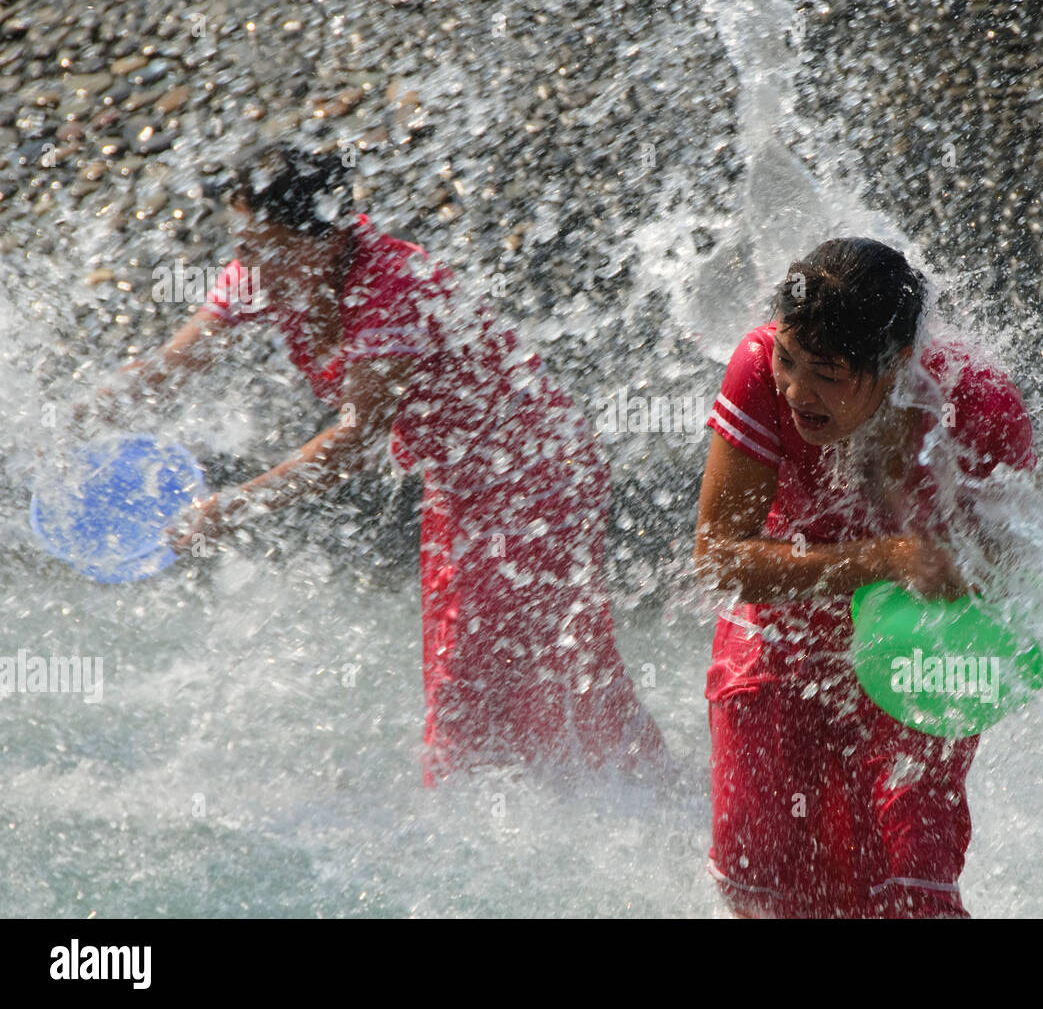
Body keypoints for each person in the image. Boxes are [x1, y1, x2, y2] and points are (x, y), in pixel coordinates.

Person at [92, 145, 667, 782]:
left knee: (485, 662)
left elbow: (353, 442)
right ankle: (608, 784)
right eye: (243, 244)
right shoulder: (272, 271)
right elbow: (173, 365)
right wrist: (84, 420)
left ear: (328, 238)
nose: (247, 263)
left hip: (535, 475)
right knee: (485, 650)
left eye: (266, 246)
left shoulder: (388, 286)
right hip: (463, 480)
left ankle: (500, 806)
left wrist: (234, 507)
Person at [693, 237, 1036, 918]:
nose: (796, 390)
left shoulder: (976, 409)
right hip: (782, 635)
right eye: (789, 359)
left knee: (912, 889)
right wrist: (883, 562)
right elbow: (721, 557)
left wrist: (972, 573)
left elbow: (1017, 572)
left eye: (827, 373)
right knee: (765, 885)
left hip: (917, 652)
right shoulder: (758, 369)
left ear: (897, 365)